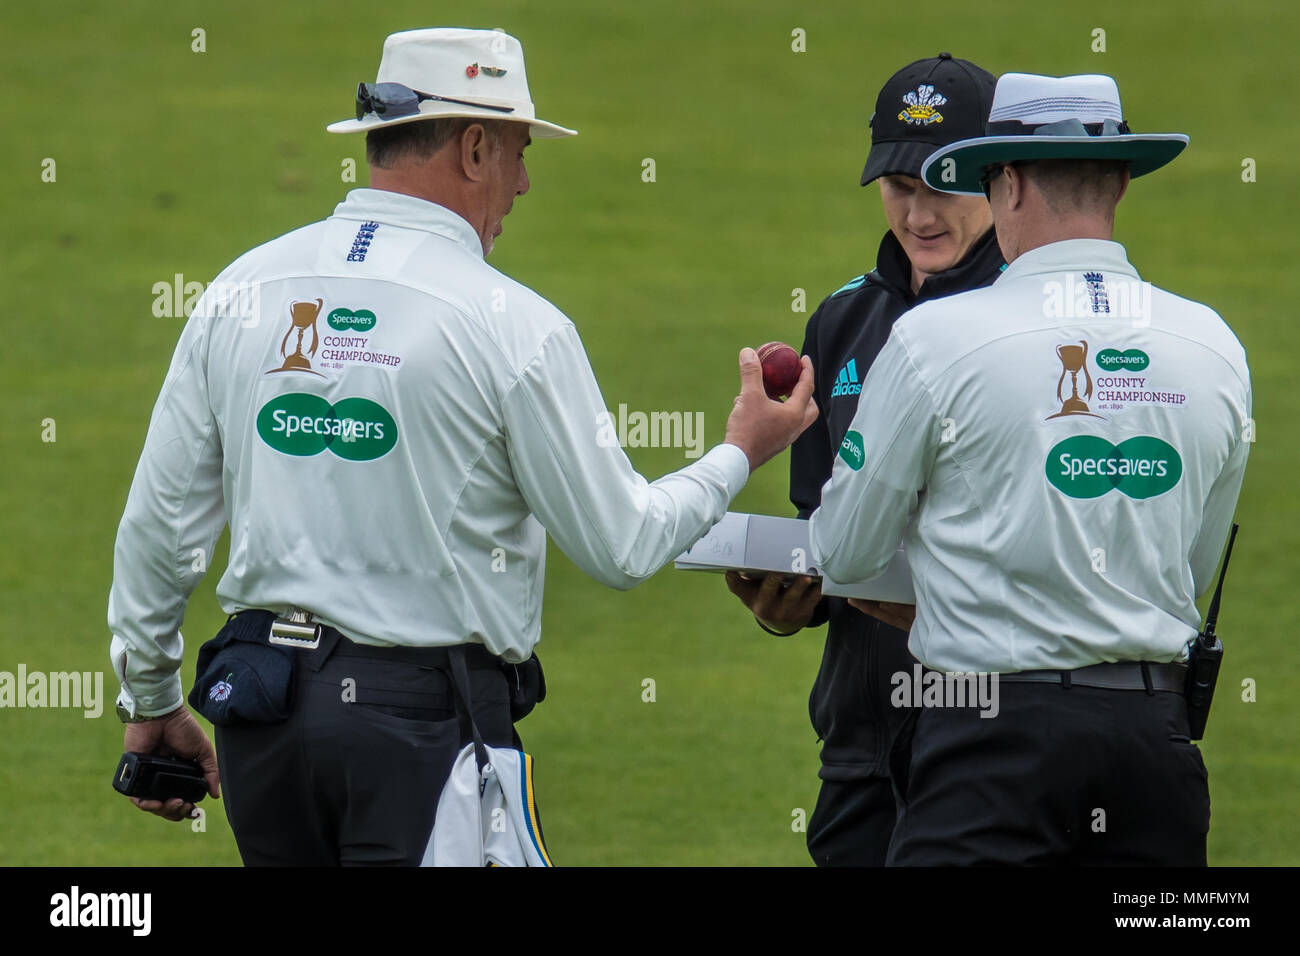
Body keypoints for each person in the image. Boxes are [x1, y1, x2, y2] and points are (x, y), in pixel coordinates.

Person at [107, 27, 816, 865]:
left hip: (263, 724)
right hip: (419, 731)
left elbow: (160, 526)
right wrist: (739, 451)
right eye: (517, 151)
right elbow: (623, 544)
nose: (522, 182)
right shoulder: (513, 323)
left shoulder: (240, 287)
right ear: (475, 147)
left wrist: (148, 697)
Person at [809, 72, 1251, 865]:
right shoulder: (1214, 345)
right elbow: (1188, 564)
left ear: (1006, 182)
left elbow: (844, 554)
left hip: (989, 744)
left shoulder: (933, 339)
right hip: (1155, 749)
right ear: (1119, 179)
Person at [724, 53, 1001, 866]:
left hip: (992, 733)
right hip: (860, 746)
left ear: (1002, 179)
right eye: (899, 187)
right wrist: (794, 603)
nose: (918, 215)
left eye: (943, 186)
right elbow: (827, 523)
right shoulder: (844, 317)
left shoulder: (1027, 323)